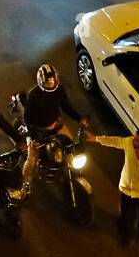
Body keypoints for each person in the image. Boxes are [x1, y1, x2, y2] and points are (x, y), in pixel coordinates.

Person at [85, 126, 139, 249]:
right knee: (126, 217)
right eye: (134, 138)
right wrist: (95, 138)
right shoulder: (129, 142)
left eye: (137, 140)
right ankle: (125, 238)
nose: (133, 140)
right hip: (127, 190)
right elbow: (114, 141)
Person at [20, 63, 90, 196]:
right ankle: (26, 184)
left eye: (52, 80)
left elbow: (66, 107)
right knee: (31, 159)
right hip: (39, 130)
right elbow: (27, 118)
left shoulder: (60, 90)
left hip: (56, 125)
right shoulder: (34, 95)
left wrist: (79, 118)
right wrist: (33, 137)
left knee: (71, 146)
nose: (51, 83)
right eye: (47, 81)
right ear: (41, 81)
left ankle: (73, 170)